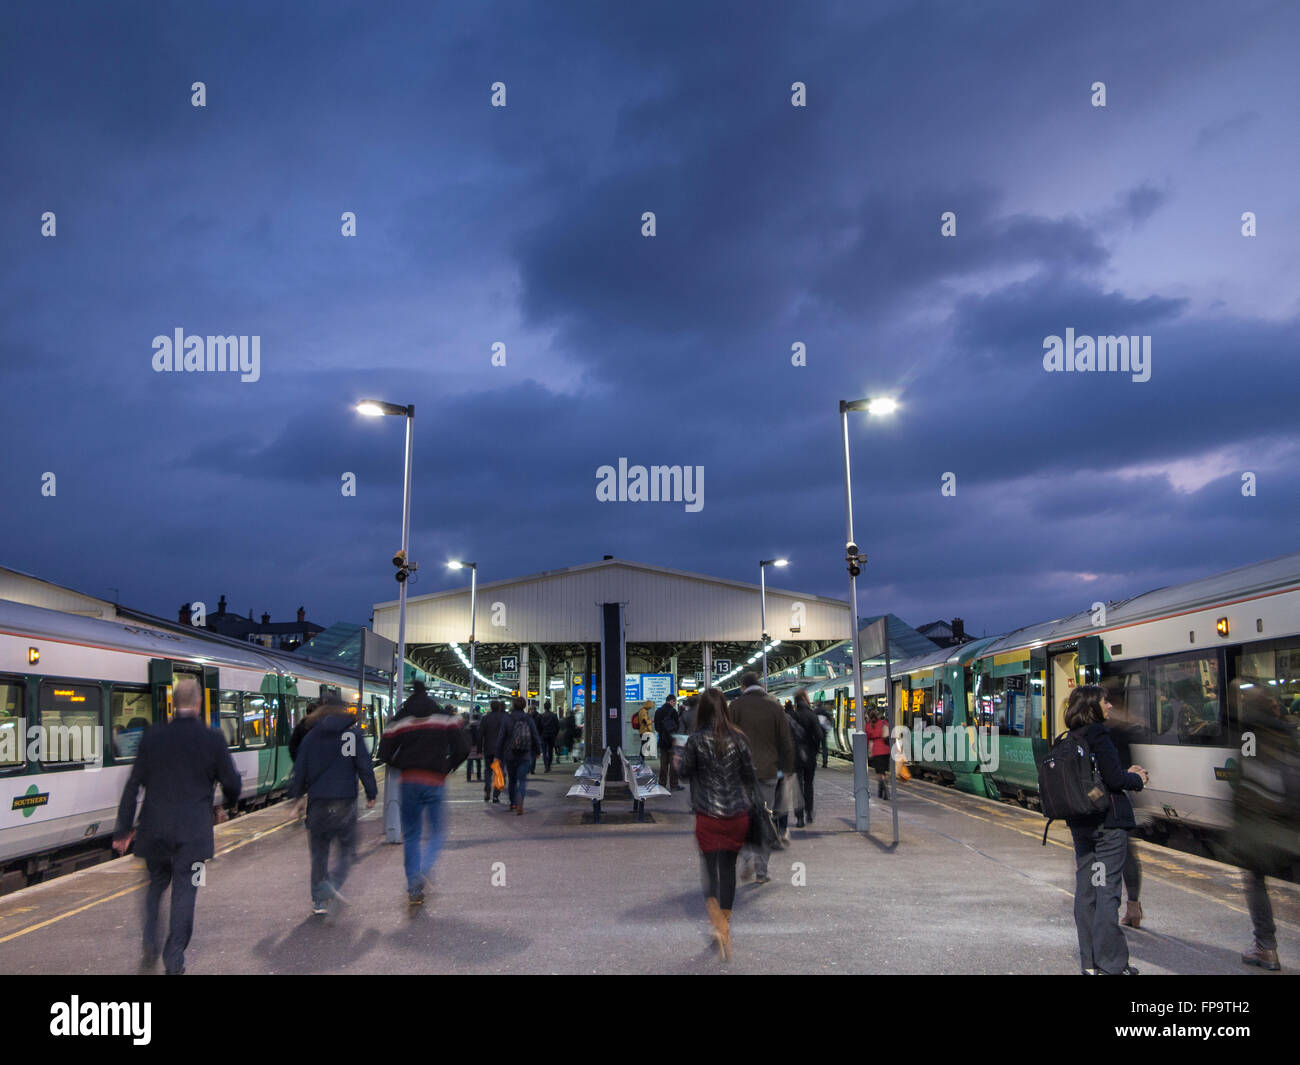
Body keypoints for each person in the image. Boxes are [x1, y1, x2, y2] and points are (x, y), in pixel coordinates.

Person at [112, 676, 242, 975]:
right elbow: (232, 782)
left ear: (173, 703)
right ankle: (174, 960)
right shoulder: (212, 738)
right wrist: (231, 803)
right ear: (198, 703)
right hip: (193, 838)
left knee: (154, 889)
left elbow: (133, 787)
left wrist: (122, 830)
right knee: (187, 893)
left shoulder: (152, 736)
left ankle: (149, 944)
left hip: (154, 833)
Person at [1061, 684, 1148, 976]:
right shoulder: (1099, 734)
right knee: (1107, 892)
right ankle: (1112, 964)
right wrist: (1137, 778)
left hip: (1081, 826)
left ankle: (1091, 963)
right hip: (1107, 826)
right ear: (1092, 707)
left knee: (1087, 891)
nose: (1109, 706)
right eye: (1104, 702)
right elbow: (1113, 777)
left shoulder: (1069, 737)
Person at [678, 687, 758, 962]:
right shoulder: (740, 739)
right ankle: (726, 925)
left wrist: (679, 762)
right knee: (728, 870)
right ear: (725, 709)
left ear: (702, 711)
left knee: (710, 873)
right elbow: (750, 776)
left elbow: (685, 773)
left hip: (708, 816)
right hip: (737, 815)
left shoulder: (695, 741)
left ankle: (719, 927)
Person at [377, 681, 469, 906]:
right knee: (437, 832)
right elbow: (463, 749)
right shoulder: (444, 717)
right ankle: (424, 869)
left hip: (409, 781)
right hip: (435, 781)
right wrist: (446, 767)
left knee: (411, 835)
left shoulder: (399, 720)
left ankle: (413, 885)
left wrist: (404, 763)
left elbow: (384, 753)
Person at [1230, 679, 1299, 971]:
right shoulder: (1288, 732)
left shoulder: (1249, 733)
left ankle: (1265, 946)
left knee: (1255, 880)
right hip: (1291, 818)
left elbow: (1246, 778)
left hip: (1263, 822)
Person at [287, 691, 377, 915]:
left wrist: (296, 798)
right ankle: (333, 884)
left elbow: (299, 770)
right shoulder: (353, 734)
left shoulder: (311, 737)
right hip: (345, 801)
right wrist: (371, 792)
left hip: (317, 803)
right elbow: (364, 765)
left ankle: (319, 901)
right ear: (343, 709)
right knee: (347, 849)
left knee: (319, 854)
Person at [727, 672, 793, 885]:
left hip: (740, 773)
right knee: (764, 819)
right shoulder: (774, 706)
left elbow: (726, 740)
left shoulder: (735, 706)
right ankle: (761, 871)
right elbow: (785, 740)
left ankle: (746, 857)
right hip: (768, 773)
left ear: (743, 686)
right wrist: (789, 769)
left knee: (743, 818)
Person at [496, 696, 543, 815]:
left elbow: (501, 738)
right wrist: (538, 751)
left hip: (510, 754)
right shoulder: (528, 719)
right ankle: (520, 798)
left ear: (513, 705)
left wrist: (498, 754)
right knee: (522, 780)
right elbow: (535, 735)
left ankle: (513, 803)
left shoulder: (507, 719)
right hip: (525, 754)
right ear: (524, 706)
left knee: (512, 780)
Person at [790, 689, 822, 826]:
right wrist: (815, 749)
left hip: (795, 756)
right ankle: (808, 812)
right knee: (808, 785)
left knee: (797, 786)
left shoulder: (792, 716)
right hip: (809, 756)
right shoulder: (811, 715)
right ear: (804, 698)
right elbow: (819, 735)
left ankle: (799, 818)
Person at [480, 698, 510, 803]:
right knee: (499, 772)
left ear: (491, 707)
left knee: (488, 771)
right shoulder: (505, 718)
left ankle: (487, 790)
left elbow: (481, 735)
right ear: (500, 707)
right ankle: (496, 795)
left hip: (488, 749)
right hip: (501, 750)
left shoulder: (485, 718)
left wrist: (479, 749)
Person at [655, 694, 682, 789]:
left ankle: (662, 784)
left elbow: (656, 727)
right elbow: (677, 727)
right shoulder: (674, 712)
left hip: (663, 741)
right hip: (672, 742)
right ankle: (674, 785)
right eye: (674, 702)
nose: (674, 704)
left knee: (663, 764)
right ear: (672, 701)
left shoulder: (658, 711)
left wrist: (663, 733)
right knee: (673, 764)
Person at [866, 709, 891, 800]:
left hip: (876, 751)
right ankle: (883, 789)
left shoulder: (868, 725)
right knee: (884, 770)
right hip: (886, 750)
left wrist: (867, 750)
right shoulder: (884, 723)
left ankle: (883, 789)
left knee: (879, 772)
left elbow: (867, 739)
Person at [538, 700, 561, 772]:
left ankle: (546, 766)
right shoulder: (554, 715)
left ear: (544, 708)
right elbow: (557, 726)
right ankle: (549, 765)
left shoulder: (541, 716)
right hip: (551, 735)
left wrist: (540, 734)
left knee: (544, 752)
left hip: (544, 735)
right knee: (550, 751)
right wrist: (555, 734)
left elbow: (539, 726)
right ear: (550, 707)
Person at [465, 709, 484, 782]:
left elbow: (466, 736)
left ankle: (468, 777)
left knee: (469, 762)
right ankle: (479, 777)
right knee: (478, 762)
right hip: (478, 746)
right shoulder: (480, 726)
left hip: (470, 746)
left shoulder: (468, 726)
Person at [815, 702, 832, 767]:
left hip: (816, 732)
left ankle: (815, 762)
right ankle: (825, 762)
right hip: (823, 732)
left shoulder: (814, 712)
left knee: (816, 747)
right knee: (824, 747)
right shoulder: (825, 712)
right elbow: (829, 721)